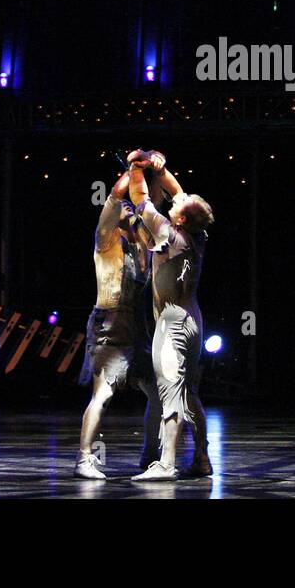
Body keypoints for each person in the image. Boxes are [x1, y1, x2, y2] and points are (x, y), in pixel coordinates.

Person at [74, 161, 173, 479]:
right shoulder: (106, 237)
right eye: (130, 213)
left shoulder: (142, 244)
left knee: (158, 392)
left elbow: (156, 204)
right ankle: (85, 459)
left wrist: (155, 171)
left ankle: (150, 454)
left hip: (138, 325)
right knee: (103, 392)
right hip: (111, 322)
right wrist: (136, 165)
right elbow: (117, 197)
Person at [126, 153, 215, 481]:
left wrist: (136, 168)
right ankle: (202, 459)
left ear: (178, 219)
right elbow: (178, 194)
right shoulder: (198, 235)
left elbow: (140, 198)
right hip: (194, 318)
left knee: (170, 392)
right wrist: (158, 166)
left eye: (180, 205)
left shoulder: (167, 232)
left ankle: (166, 463)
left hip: (173, 321)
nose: (178, 200)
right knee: (189, 392)